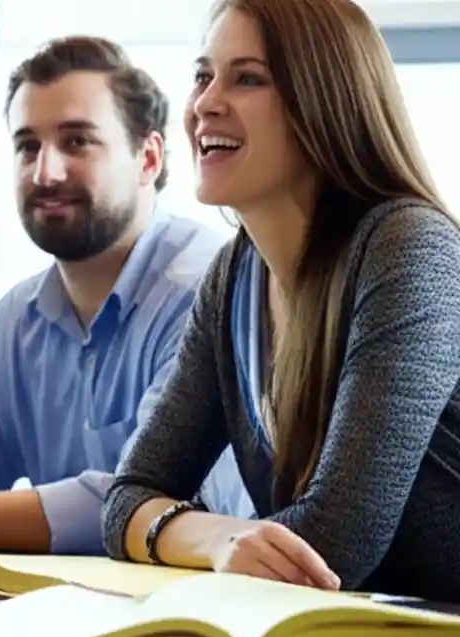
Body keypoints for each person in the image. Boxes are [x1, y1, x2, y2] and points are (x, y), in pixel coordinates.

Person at [102, 0, 460, 602]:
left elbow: (333, 546)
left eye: (247, 78)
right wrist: (217, 541)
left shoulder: (410, 249)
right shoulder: (233, 275)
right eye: (202, 76)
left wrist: (191, 533)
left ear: (325, 102)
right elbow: (126, 498)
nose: (205, 103)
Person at [0, 37, 250, 555]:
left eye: (77, 142)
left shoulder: (206, 290)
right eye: (27, 146)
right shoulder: (17, 320)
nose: (44, 173)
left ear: (148, 157)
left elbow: (128, 503)